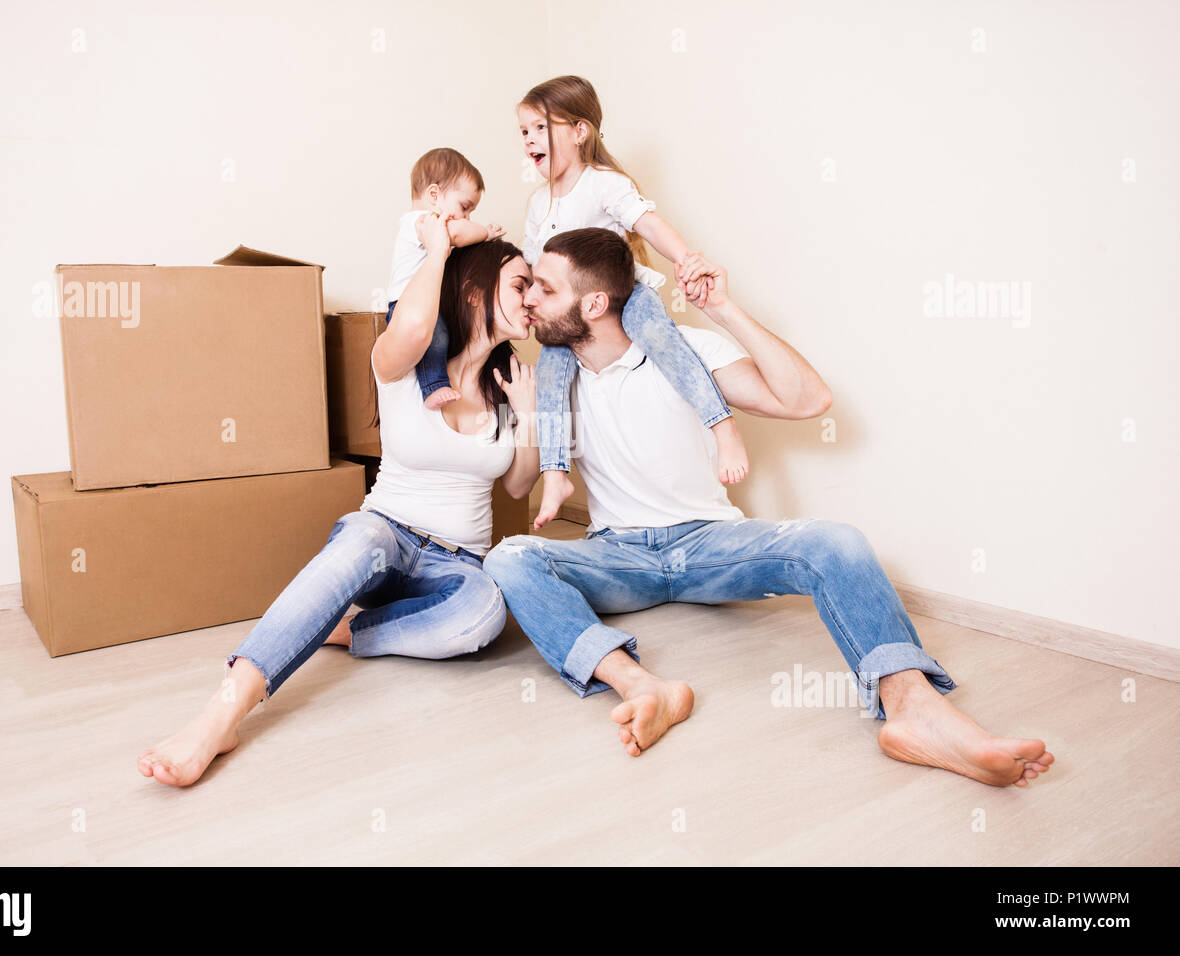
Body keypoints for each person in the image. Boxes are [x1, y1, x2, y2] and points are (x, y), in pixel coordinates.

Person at [484, 227, 1056, 789]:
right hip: (616, 555)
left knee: (836, 541)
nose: (530, 299)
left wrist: (724, 308)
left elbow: (808, 399)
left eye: (545, 289)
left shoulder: (685, 351)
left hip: (707, 544)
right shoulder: (552, 382)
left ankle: (914, 709)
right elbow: (518, 490)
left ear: (596, 303)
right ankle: (642, 686)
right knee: (510, 559)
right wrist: (530, 417)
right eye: (529, 285)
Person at [138, 214, 540, 787]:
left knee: (485, 613)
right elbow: (419, 319)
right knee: (365, 536)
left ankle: (349, 630)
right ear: (474, 288)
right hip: (386, 537)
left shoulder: (512, 386)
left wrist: (527, 419)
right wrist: (440, 246)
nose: (531, 300)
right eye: (519, 284)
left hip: (459, 564)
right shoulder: (406, 362)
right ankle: (220, 715)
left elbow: (520, 486)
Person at [516, 74, 751, 532]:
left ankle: (723, 427)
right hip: (574, 311)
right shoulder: (536, 203)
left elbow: (648, 223)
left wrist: (687, 260)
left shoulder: (602, 182)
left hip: (626, 295)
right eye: (523, 132)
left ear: (580, 131)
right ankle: (555, 472)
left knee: (665, 344)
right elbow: (532, 262)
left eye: (540, 128)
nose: (529, 140)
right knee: (549, 375)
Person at [384, 147, 505, 410]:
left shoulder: (427, 222)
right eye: (464, 207)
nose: (467, 217)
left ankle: (434, 384)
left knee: (442, 333)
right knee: (436, 335)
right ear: (434, 195)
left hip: (424, 305)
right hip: (405, 307)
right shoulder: (421, 221)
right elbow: (457, 234)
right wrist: (484, 232)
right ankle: (434, 386)